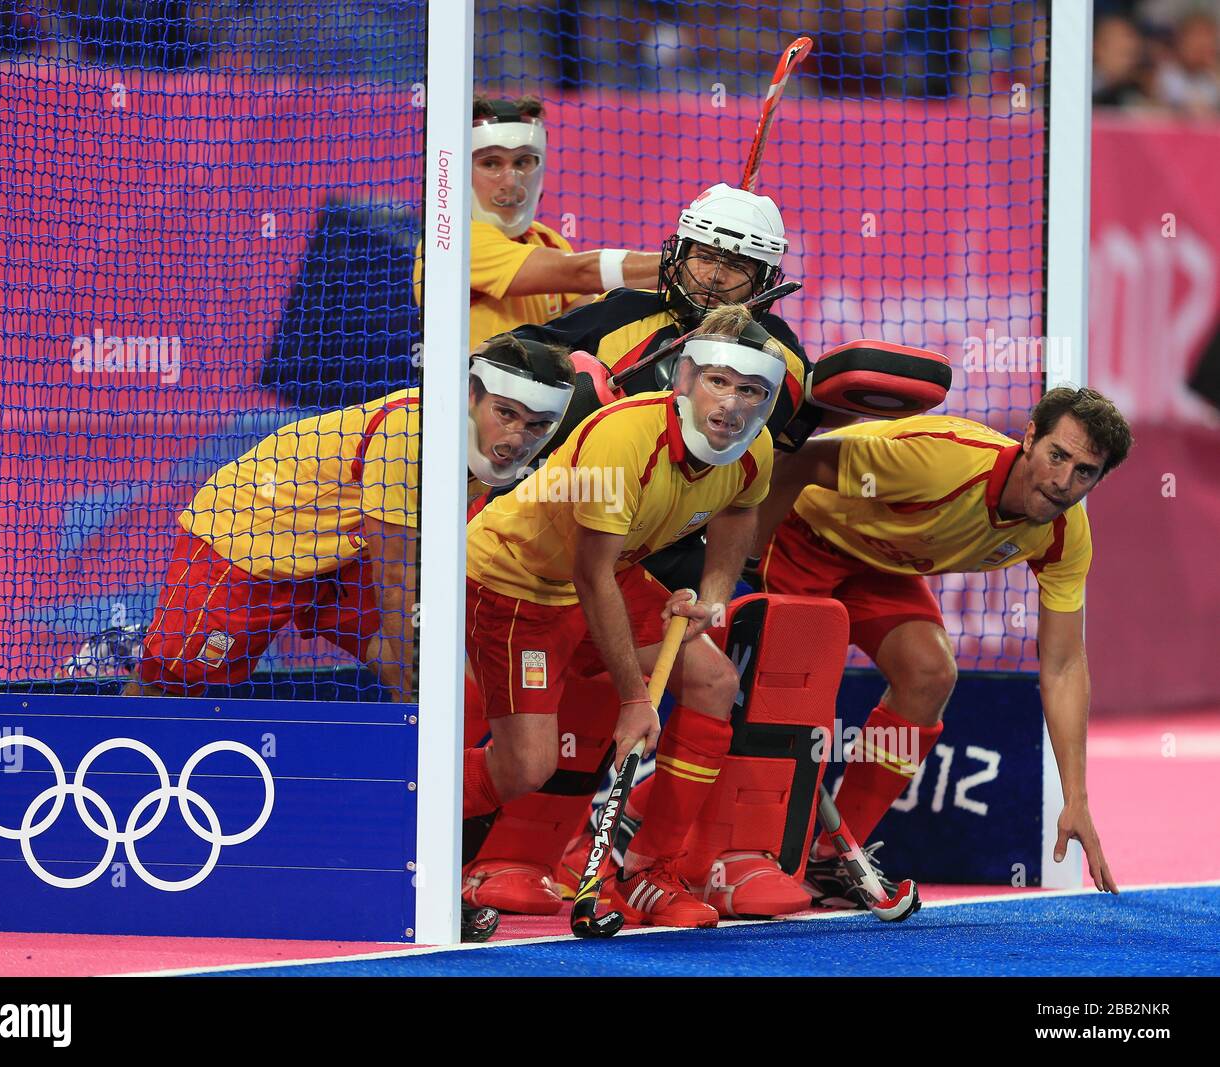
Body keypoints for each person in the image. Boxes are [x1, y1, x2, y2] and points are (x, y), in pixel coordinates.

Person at [462, 304, 788, 928]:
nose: (733, 403)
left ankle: (649, 871)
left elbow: (740, 512)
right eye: (720, 382)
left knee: (713, 680)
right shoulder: (622, 437)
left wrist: (714, 596)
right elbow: (589, 573)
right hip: (515, 580)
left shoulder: (755, 450)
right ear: (687, 379)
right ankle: (416, 837)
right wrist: (637, 700)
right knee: (528, 765)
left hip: (602, 576)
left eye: (751, 390)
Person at [751, 387, 1134, 905]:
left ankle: (832, 858)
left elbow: (1063, 665)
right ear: (1028, 439)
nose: (1064, 482)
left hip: (879, 563)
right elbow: (796, 460)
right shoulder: (941, 462)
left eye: (1085, 472)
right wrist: (744, 565)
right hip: (803, 531)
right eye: (1057, 456)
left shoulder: (1064, 536)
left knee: (929, 674)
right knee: (787, 697)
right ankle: (706, 838)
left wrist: (1077, 797)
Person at [126, 335, 575, 702]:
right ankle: (112, 773)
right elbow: (400, 586)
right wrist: (420, 683)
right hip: (253, 534)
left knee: (422, 675)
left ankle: (421, 794)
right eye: (506, 413)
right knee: (171, 682)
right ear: (471, 395)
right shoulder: (412, 436)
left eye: (536, 425)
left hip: (341, 545)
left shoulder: (488, 452)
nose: (517, 437)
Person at [414, 94, 662, 351]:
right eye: (490, 163)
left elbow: (591, 319)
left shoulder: (548, 240)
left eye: (523, 162)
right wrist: (676, 263)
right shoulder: (451, 239)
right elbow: (580, 273)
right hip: (471, 389)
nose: (511, 181)